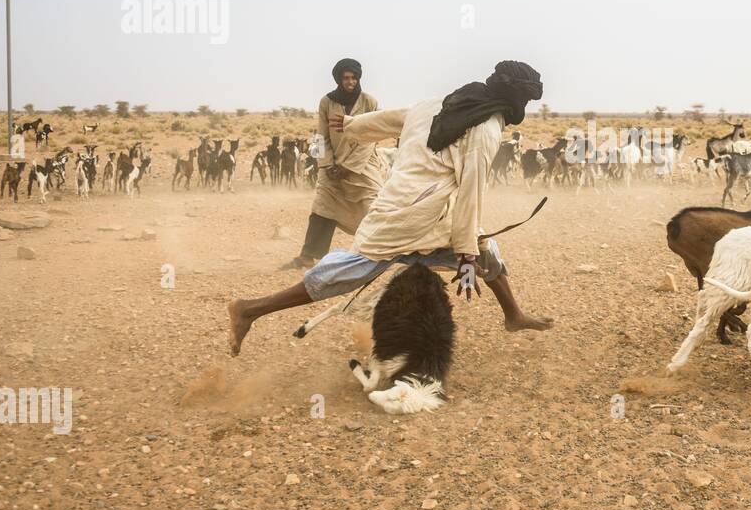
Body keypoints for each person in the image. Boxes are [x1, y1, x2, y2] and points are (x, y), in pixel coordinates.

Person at [227, 61, 553, 354]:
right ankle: (249, 309)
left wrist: (353, 125)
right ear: (513, 98)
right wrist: (466, 256)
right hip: (407, 218)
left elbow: (390, 119)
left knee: (485, 245)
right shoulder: (487, 128)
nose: (522, 107)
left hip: (424, 210)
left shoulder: (439, 104)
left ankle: (513, 314)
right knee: (350, 271)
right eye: (524, 100)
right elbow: (472, 192)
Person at [285, 58, 388, 269]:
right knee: (322, 208)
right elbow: (320, 136)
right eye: (346, 78)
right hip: (331, 168)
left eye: (353, 77)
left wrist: (347, 167)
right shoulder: (327, 102)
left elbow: (370, 138)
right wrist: (326, 164)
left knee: (374, 208)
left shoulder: (370, 102)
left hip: (363, 167)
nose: (350, 82)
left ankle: (381, 255)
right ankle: (307, 255)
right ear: (339, 80)